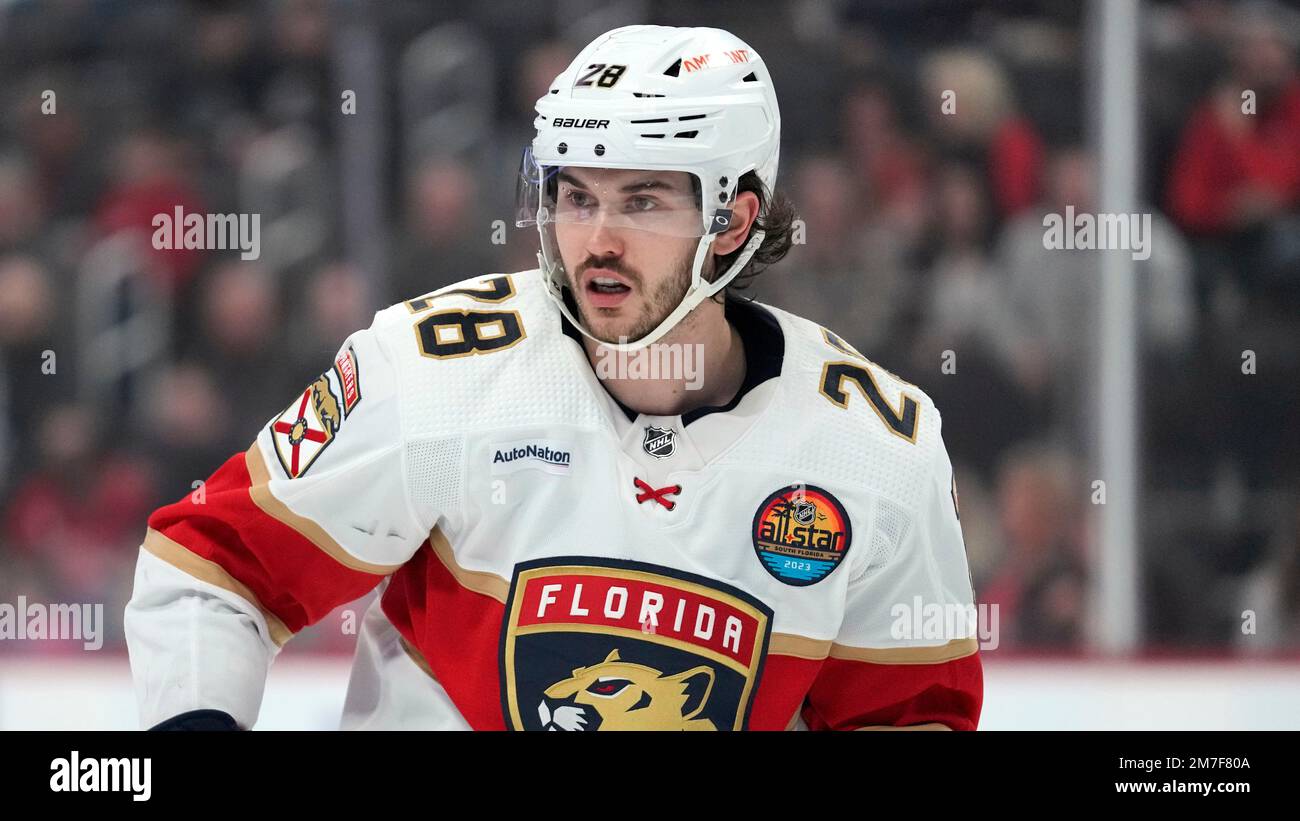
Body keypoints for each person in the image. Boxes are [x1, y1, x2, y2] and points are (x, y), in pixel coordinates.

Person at [125, 25, 982, 731]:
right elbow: (214, 567)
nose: (597, 241)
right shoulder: (436, 371)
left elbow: (910, 712)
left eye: (643, 201)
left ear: (734, 221)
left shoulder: (872, 451)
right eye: (577, 197)